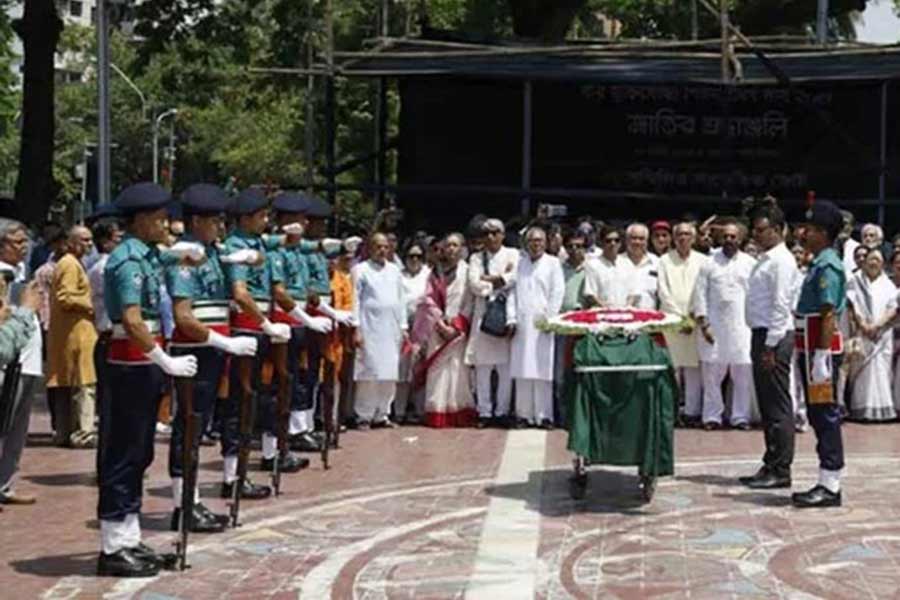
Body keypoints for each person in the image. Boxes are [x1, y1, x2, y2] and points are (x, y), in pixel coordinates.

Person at [97, 183, 199, 576]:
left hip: (143, 364)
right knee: (122, 453)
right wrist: (163, 360)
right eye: (158, 218)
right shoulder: (127, 260)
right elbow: (133, 320)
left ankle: (128, 537)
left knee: (140, 453)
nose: (165, 224)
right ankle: (112, 545)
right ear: (140, 219)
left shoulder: (149, 255)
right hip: (129, 364)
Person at [165, 184, 264, 535]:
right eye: (213, 221)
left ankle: (191, 500)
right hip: (194, 348)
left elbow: (258, 260)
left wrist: (248, 258)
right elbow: (184, 316)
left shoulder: (213, 251)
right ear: (195, 221)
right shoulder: (184, 256)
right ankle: (183, 504)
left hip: (212, 348)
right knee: (189, 426)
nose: (220, 227)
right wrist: (224, 342)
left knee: (202, 422)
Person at [221, 187, 297, 495]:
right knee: (240, 402)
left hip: (262, 328)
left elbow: (289, 243)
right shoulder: (235, 246)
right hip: (245, 328)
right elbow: (240, 292)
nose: (266, 220)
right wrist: (265, 323)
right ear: (245, 218)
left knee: (263, 397)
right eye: (262, 215)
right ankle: (232, 477)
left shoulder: (258, 243)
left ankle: (260, 460)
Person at [790, 200, 848, 508]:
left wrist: (822, 356)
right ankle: (827, 479)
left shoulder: (827, 266)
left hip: (818, 346)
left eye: (810, 229)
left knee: (825, 413)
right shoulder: (818, 262)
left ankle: (830, 484)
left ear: (823, 233)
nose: (804, 233)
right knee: (816, 412)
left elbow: (827, 314)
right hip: (809, 343)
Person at [740, 204, 800, 490]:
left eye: (762, 230)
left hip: (774, 336)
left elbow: (781, 306)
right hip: (762, 333)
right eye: (755, 230)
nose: (756, 234)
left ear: (777, 230)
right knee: (767, 402)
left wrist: (770, 346)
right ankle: (770, 461)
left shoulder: (782, 261)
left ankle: (781, 468)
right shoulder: (766, 259)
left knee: (777, 403)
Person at [693, 221, 755, 430]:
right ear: (720, 239)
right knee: (711, 374)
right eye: (726, 236)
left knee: (742, 373)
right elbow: (699, 295)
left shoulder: (749, 263)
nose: (729, 240)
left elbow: (755, 296)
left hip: (742, 327)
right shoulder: (709, 263)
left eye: (733, 236)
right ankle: (712, 416)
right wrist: (704, 324)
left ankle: (740, 417)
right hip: (714, 327)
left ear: (740, 239)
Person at [410, 233, 476, 427]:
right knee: (437, 371)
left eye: (456, 245)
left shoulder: (468, 271)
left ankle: (458, 413)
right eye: (448, 245)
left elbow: (470, 301)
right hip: (437, 327)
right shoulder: (434, 272)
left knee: (457, 371)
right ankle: (436, 413)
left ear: (463, 248)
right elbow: (428, 300)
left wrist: (456, 325)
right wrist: (440, 323)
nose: (451, 249)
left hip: (458, 330)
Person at [0, 218, 43, 507]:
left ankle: (6, 484)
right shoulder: (4, 277)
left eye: (25, 241)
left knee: (18, 427)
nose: (24, 247)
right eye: (17, 241)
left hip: (28, 360)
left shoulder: (23, 273)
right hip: (8, 360)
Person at [46, 225, 98, 449]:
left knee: (67, 384)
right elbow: (65, 296)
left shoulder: (70, 263)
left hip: (72, 332)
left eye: (90, 240)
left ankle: (65, 432)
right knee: (84, 385)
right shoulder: (69, 264)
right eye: (84, 240)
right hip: (76, 332)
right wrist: (91, 304)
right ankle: (83, 433)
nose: (89, 245)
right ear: (71, 241)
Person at [507, 226, 565, 428]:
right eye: (532, 240)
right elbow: (512, 293)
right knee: (522, 370)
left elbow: (557, 292)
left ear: (546, 242)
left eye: (539, 240)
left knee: (542, 371)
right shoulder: (520, 264)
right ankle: (523, 415)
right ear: (526, 243)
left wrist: (550, 318)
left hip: (543, 325)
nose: (536, 244)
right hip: (522, 324)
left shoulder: (553, 263)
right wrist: (511, 318)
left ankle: (543, 415)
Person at [465, 218, 519, 427]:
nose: (491, 236)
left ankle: (502, 411)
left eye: (495, 232)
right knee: (483, 369)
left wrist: (492, 279)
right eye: (487, 233)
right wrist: (498, 283)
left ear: (503, 235)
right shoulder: (476, 258)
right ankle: (485, 412)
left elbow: (514, 278)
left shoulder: (513, 254)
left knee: (505, 369)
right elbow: (474, 284)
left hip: (507, 314)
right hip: (484, 316)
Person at [352, 233, 407, 428]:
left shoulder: (395, 270)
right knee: (369, 373)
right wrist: (356, 327)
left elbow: (401, 300)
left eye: (385, 247)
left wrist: (404, 326)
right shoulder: (360, 270)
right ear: (370, 248)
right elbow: (355, 300)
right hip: (369, 327)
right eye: (378, 246)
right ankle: (364, 415)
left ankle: (382, 414)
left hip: (391, 329)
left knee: (389, 373)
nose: (382, 250)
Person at [657, 222, 707, 425]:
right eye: (680, 234)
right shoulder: (664, 261)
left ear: (693, 238)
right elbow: (663, 291)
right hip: (671, 320)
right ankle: (672, 411)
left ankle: (692, 412)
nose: (683, 238)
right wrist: (679, 318)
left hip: (695, 320)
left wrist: (693, 316)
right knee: (673, 369)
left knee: (694, 369)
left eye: (687, 234)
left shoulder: (703, 261)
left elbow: (703, 291)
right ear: (674, 238)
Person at [845, 248, 897, 421]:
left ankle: (882, 410)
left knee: (881, 371)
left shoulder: (888, 286)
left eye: (878, 260)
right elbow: (852, 305)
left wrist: (877, 326)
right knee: (861, 372)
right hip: (862, 332)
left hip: (882, 334)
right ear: (865, 262)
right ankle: (860, 409)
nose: (874, 263)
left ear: (883, 264)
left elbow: (893, 309)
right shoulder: (855, 281)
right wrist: (864, 325)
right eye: (871, 259)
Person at [553, 230, 588, 426]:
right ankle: (562, 415)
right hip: (562, 329)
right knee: (560, 375)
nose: (575, 250)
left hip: (584, 330)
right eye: (571, 246)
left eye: (579, 246)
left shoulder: (592, 269)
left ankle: (581, 416)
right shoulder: (558, 269)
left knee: (582, 373)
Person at [395, 242, 430, 423]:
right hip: (403, 327)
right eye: (411, 256)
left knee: (420, 369)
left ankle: (419, 410)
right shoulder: (398, 275)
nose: (415, 260)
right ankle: (399, 411)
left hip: (424, 327)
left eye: (418, 256)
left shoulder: (428, 275)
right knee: (402, 370)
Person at [583, 225, 627, 307]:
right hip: (602, 314)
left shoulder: (627, 263)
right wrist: (606, 309)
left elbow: (633, 293)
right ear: (601, 243)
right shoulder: (592, 265)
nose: (613, 243)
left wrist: (626, 309)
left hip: (625, 313)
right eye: (608, 240)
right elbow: (590, 294)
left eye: (616, 240)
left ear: (621, 243)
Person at [620, 223, 659, 309]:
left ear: (647, 241)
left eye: (641, 239)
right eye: (634, 238)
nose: (637, 242)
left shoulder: (656, 262)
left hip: (650, 317)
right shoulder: (617, 262)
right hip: (623, 316)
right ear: (626, 240)